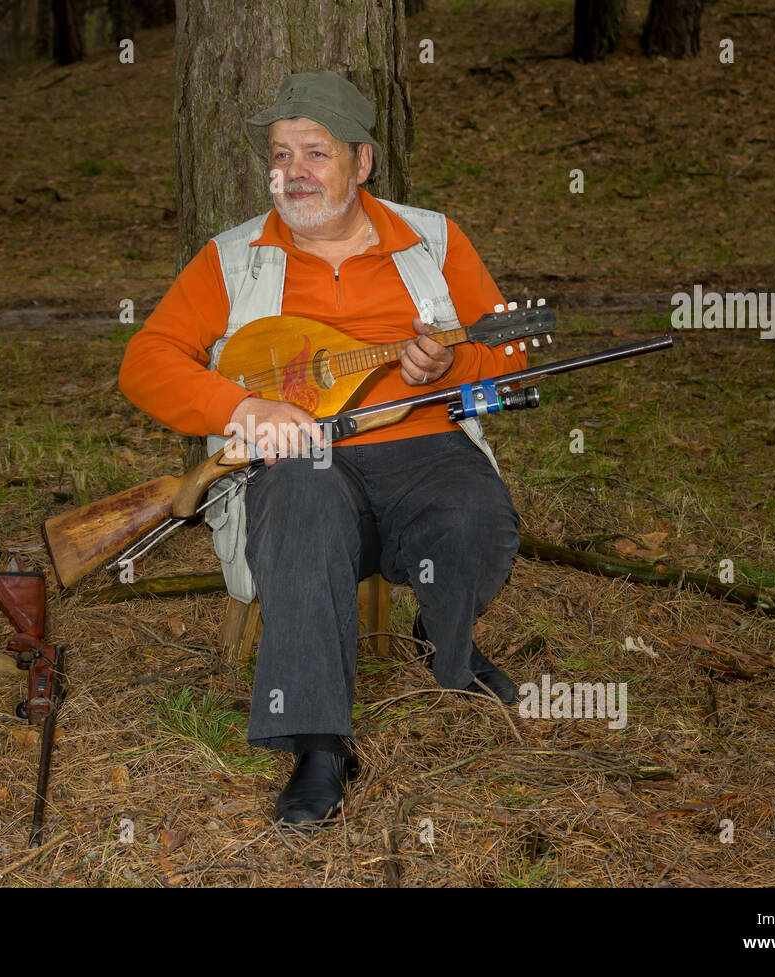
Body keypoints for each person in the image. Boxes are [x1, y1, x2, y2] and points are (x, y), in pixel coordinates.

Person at [119, 72, 523, 829]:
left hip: (420, 446)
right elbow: (145, 362)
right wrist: (244, 405)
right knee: (303, 497)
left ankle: (447, 638)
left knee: (477, 514)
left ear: (361, 163)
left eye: (315, 151)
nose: (294, 171)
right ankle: (318, 742)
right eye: (280, 154)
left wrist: (448, 366)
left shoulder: (430, 241)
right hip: (302, 463)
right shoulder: (234, 258)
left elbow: (505, 356)